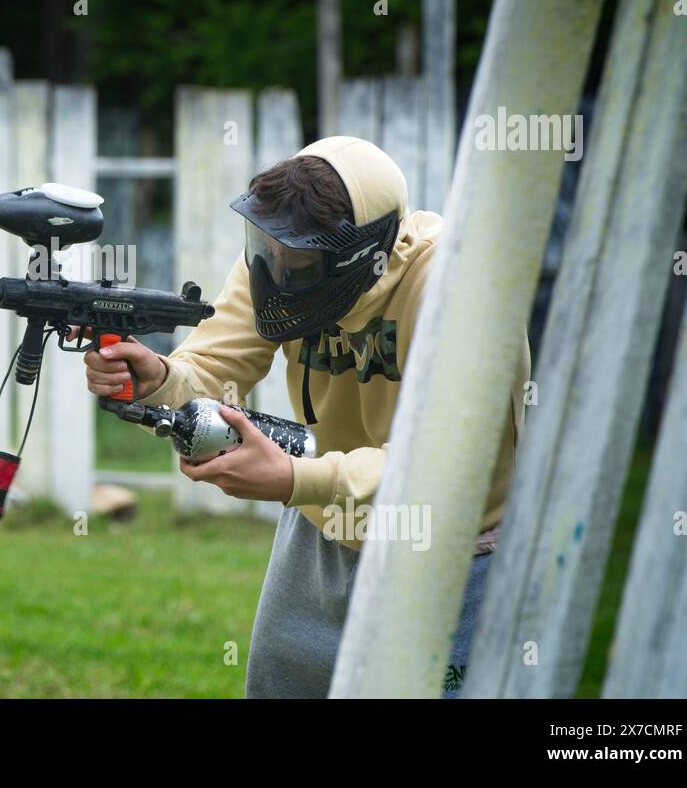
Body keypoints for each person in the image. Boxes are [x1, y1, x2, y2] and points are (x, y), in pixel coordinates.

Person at [83, 136, 528, 698]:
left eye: (298, 265)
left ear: (362, 255)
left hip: (452, 550)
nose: (274, 276)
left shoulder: (462, 287)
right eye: (266, 251)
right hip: (324, 528)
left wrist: (295, 479)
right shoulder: (281, 255)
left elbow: (448, 460)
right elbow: (218, 363)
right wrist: (162, 380)